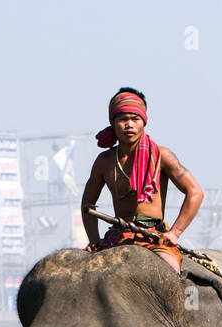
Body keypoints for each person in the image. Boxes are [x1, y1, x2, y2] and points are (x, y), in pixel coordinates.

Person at [80, 87, 204, 273]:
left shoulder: (162, 155)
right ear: (113, 123)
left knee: (169, 272)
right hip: (118, 237)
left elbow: (195, 193)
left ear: (143, 122)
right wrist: (94, 240)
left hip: (154, 237)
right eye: (123, 119)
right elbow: (87, 204)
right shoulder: (104, 162)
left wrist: (175, 233)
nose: (129, 124)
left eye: (134, 119)